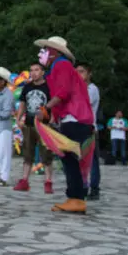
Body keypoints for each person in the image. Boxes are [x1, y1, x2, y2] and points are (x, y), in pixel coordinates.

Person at [35, 35, 94, 215]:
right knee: (70, 159)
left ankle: (76, 198)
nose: (42, 53)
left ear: (54, 52)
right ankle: (75, 197)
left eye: (45, 50)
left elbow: (63, 92)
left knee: (70, 159)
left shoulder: (61, 65)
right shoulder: (58, 68)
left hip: (75, 118)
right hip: (73, 118)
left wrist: (46, 108)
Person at [14, 62, 53, 194]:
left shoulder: (49, 86)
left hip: (44, 125)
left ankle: (48, 182)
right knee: (27, 153)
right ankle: (24, 180)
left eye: (37, 70)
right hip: (29, 124)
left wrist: (52, 120)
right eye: (31, 70)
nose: (34, 73)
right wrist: (18, 118)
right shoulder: (27, 87)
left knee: (46, 154)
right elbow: (23, 104)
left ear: (42, 72)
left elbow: (54, 104)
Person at [77, 64, 101, 199]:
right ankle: (83, 186)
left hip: (89, 128)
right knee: (80, 160)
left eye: (82, 71)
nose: (79, 74)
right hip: (77, 128)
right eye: (77, 72)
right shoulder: (76, 88)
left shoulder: (92, 89)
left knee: (92, 161)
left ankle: (95, 188)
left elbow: (82, 103)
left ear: (89, 74)